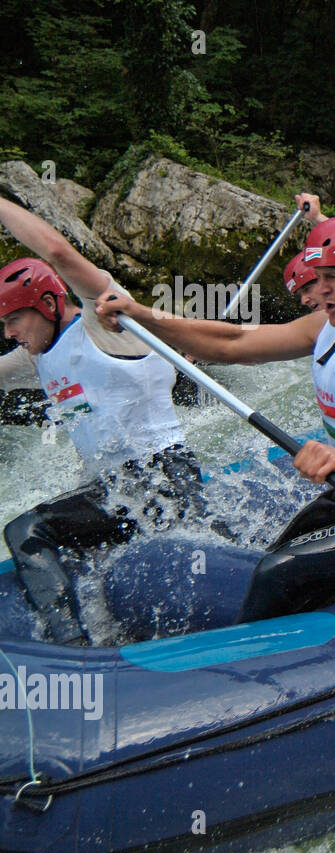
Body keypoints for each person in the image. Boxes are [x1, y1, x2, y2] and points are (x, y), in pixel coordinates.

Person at [97, 211, 335, 623]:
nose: (319, 291)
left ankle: (255, 675)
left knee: (279, 575)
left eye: (334, 278)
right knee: (277, 562)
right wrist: (144, 316)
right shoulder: (326, 327)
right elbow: (232, 342)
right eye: (316, 277)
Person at [0, 197, 200, 645]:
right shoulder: (36, 355)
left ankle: (73, 650)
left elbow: (58, 252)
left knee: (24, 530)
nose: (9, 332)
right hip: (121, 491)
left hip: (163, 481)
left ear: (49, 302)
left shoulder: (103, 322)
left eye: (14, 319)